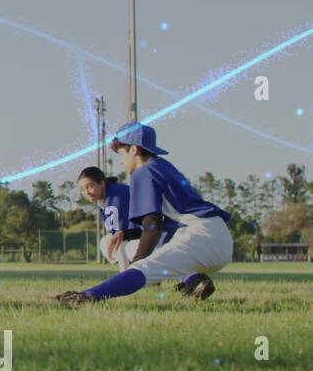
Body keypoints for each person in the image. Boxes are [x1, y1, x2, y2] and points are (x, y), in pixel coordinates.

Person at [57, 123, 232, 305]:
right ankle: (192, 281)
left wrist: (138, 264)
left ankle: (86, 297)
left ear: (134, 150)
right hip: (211, 232)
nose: (121, 160)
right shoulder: (161, 165)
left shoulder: (143, 171)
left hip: (201, 236)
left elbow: (152, 225)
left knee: (142, 268)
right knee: (150, 261)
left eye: (122, 154)